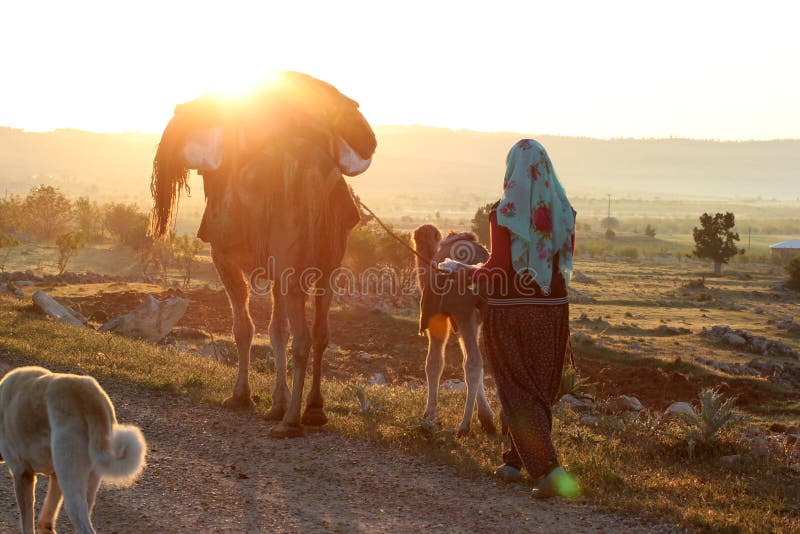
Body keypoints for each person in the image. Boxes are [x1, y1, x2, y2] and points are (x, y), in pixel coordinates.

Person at [438, 138, 579, 499]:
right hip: (553, 312)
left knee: (516, 390)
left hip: (511, 312)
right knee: (538, 389)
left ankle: (549, 470)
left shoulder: (504, 212)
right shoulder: (564, 210)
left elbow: (498, 268)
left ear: (512, 170)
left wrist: (462, 270)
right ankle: (514, 462)